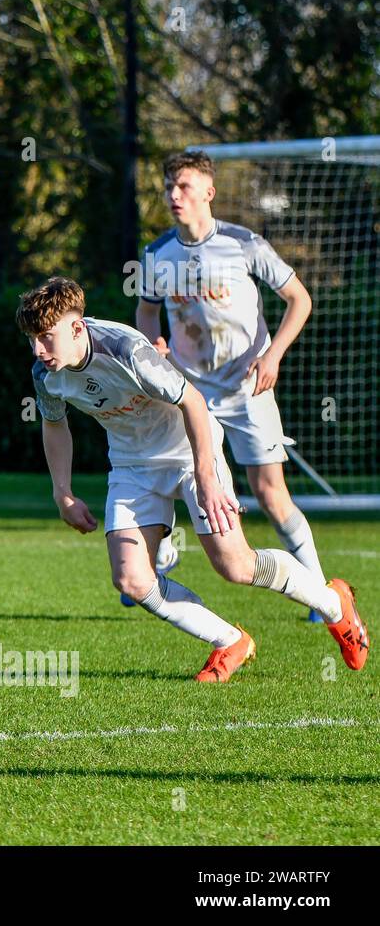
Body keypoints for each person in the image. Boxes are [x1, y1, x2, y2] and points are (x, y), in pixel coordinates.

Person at [20, 276, 367, 682]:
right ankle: (230, 641)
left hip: (190, 454)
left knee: (235, 565)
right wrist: (63, 493)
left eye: (46, 338)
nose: (38, 350)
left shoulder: (126, 351)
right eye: (32, 340)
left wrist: (206, 477)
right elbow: (54, 424)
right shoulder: (45, 374)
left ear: (78, 328)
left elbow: (194, 402)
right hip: (133, 466)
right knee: (132, 580)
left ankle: (333, 604)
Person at [136, 150, 326, 622]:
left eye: (183, 185)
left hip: (247, 389)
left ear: (209, 191)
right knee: (169, 472)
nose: (174, 194)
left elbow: (299, 299)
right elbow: (146, 310)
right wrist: (154, 347)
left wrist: (272, 354)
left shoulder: (243, 244)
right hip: (190, 392)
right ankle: (156, 558)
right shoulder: (156, 254)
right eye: (168, 186)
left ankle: (319, 593)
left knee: (269, 493)